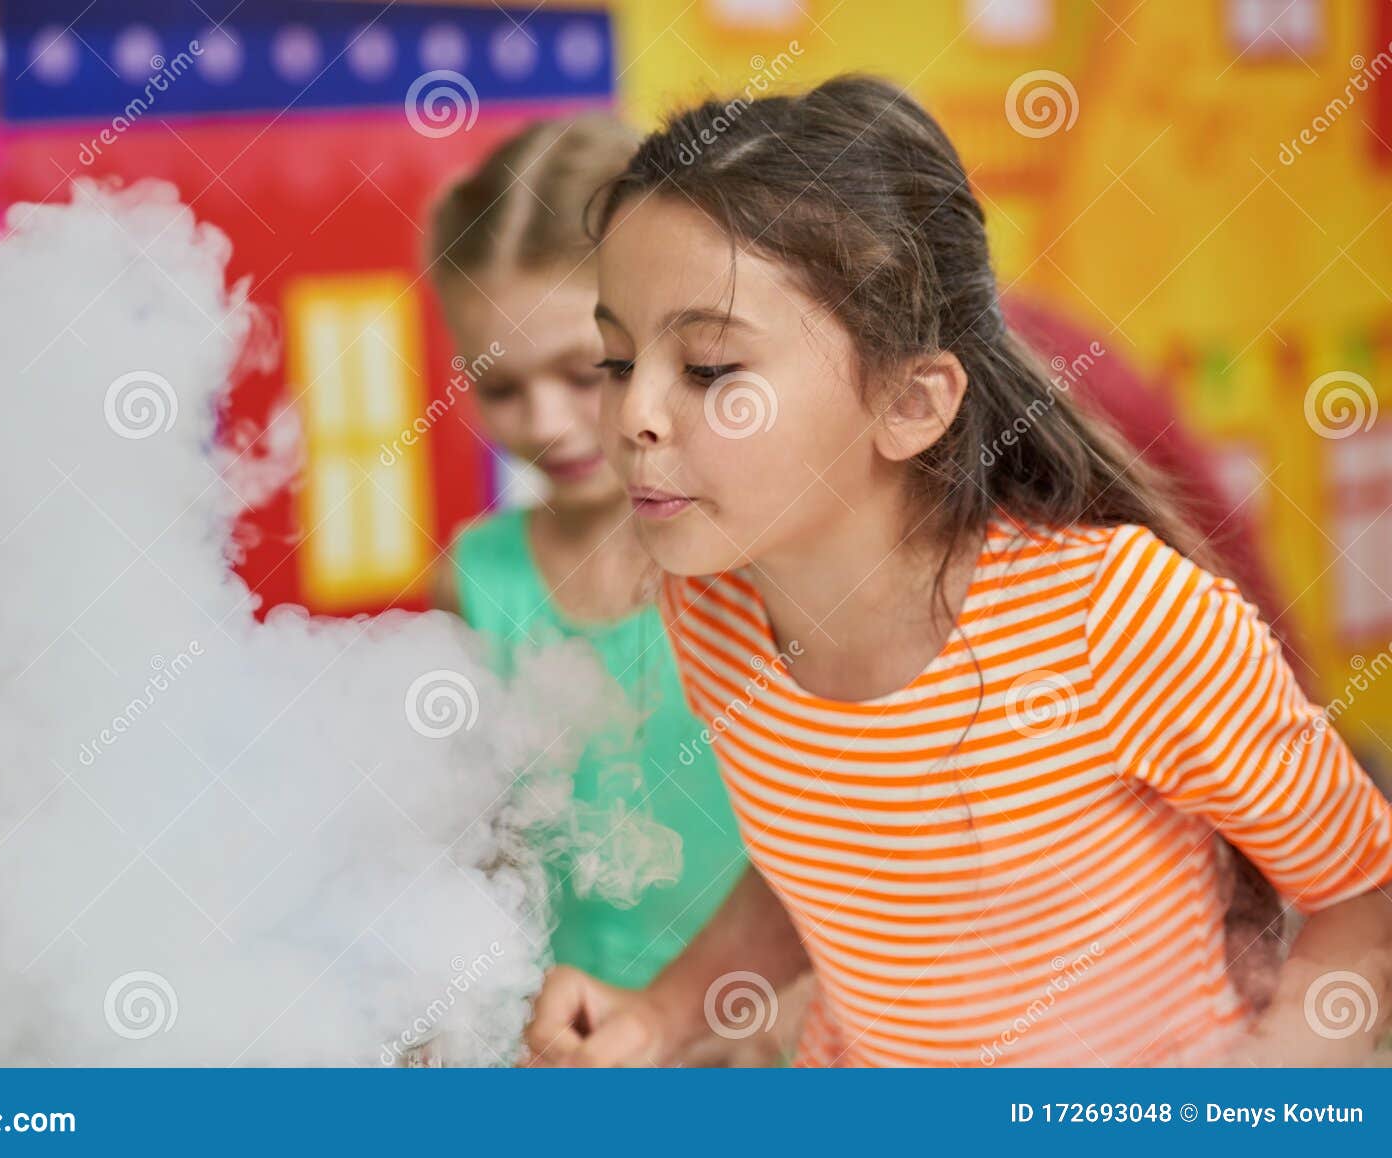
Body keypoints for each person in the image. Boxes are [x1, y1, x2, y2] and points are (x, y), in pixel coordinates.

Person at [525, 75, 1392, 1067]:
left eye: (710, 369)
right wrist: (661, 1014)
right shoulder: (713, 604)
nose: (633, 414)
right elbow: (830, 857)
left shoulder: (1117, 616)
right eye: (616, 361)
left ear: (909, 403)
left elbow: (1360, 887)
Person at [426, 117, 777, 1053]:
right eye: (500, 387)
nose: (546, 421)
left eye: (584, 372)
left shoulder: (760, 558)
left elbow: (849, 830)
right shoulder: (478, 579)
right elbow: (479, 862)